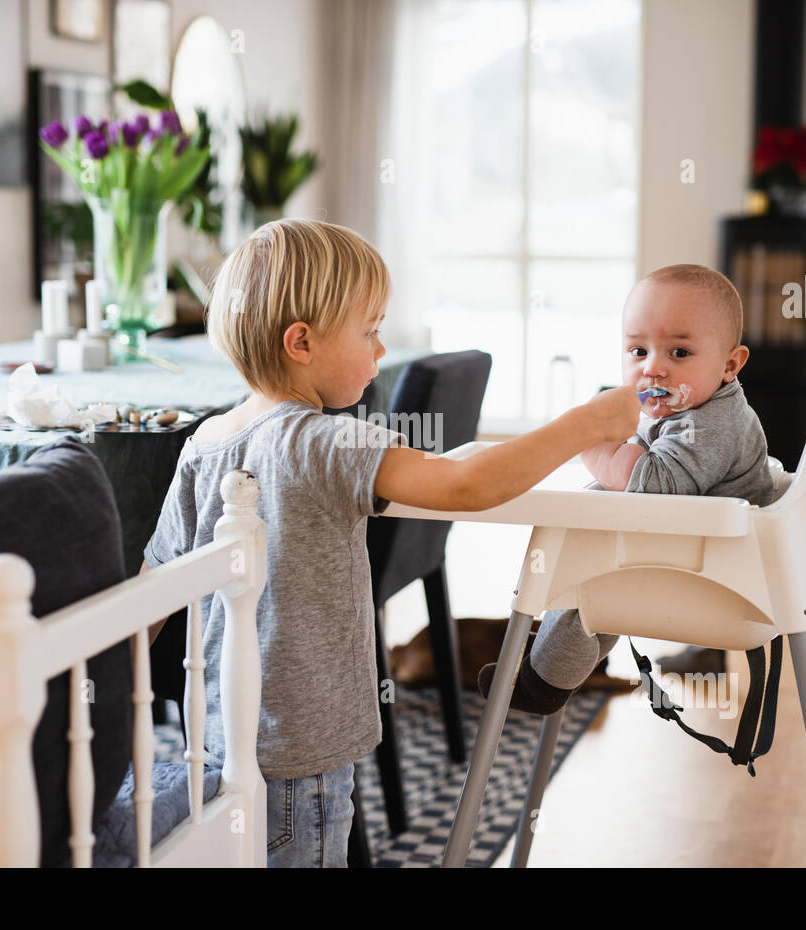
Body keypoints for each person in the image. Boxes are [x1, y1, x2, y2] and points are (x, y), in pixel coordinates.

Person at [139, 218, 640, 866]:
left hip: (213, 745)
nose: (380, 351)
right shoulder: (321, 441)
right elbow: (465, 484)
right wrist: (584, 423)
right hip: (305, 759)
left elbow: (153, 584)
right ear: (302, 342)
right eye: (370, 330)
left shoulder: (203, 443)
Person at [478, 263, 781, 715]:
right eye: (638, 351)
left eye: (679, 353)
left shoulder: (713, 423)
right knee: (585, 558)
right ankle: (553, 652)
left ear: (730, 364)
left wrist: (588, 439)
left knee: (586, 573)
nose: (653, 368)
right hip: (694, 558)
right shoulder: (690, 409)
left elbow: (652, 483)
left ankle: (544, 681)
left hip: (714, 580)